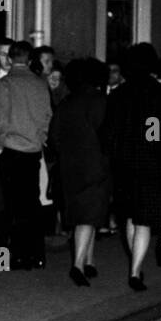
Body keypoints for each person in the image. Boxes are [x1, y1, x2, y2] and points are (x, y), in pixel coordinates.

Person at [104, 43, 161, 292]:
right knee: (144, 220)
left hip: (123, 165)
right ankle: (135, 271)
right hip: (148, 163)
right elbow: (154, 129)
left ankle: (135, 265)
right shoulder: (157, 93)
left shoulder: (118, 94)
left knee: (129, 215)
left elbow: (110, 133)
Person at [0, 40, 52, 270]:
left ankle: (5, 260)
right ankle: (35, 256)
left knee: (7, 208)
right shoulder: (39, 84)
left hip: (10, 151)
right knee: (31, 205)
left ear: (9, 59)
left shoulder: (5, 84)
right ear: (29, 60)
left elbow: (1, 120)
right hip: (33, 152)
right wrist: (39, 139)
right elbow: (47, 117)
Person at [51, 58, 111, 286]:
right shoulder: (101, 101)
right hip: (95, 164)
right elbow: (107, 135)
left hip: (70, 166)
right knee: (91, 215)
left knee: (82, 214)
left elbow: (54, 137)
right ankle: (77, 264)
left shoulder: (67, 102)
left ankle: (89, 260)